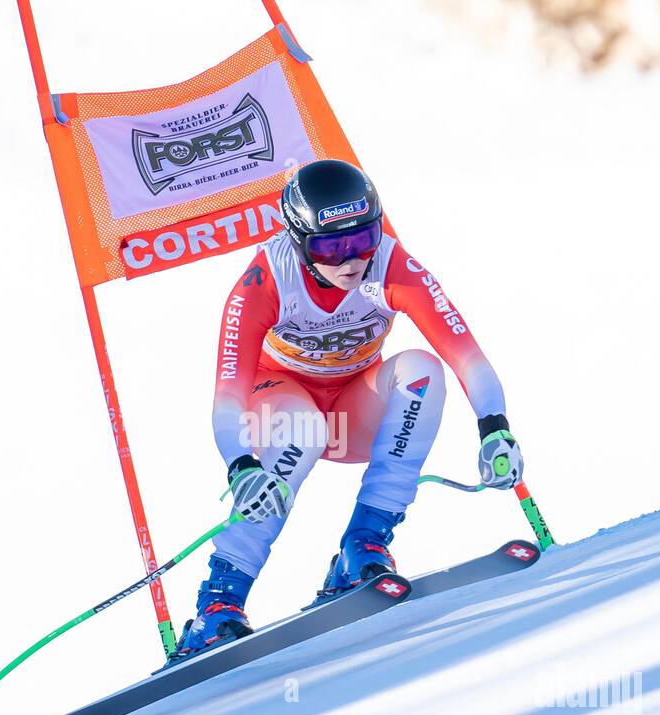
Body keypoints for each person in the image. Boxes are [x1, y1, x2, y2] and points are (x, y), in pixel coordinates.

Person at [175, 158, 524, 658]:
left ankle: (363, 546)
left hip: (353, 411)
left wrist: (495, 429)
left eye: (362, 240)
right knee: (302, 430)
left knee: (423, 369)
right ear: (299, 242)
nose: (350, 260)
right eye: (330, 246)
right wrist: (241, 467)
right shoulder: (264, 282)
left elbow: (466, 354)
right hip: (279, 404)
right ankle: (218, 604)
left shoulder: (391, 265)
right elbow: (226, 398)